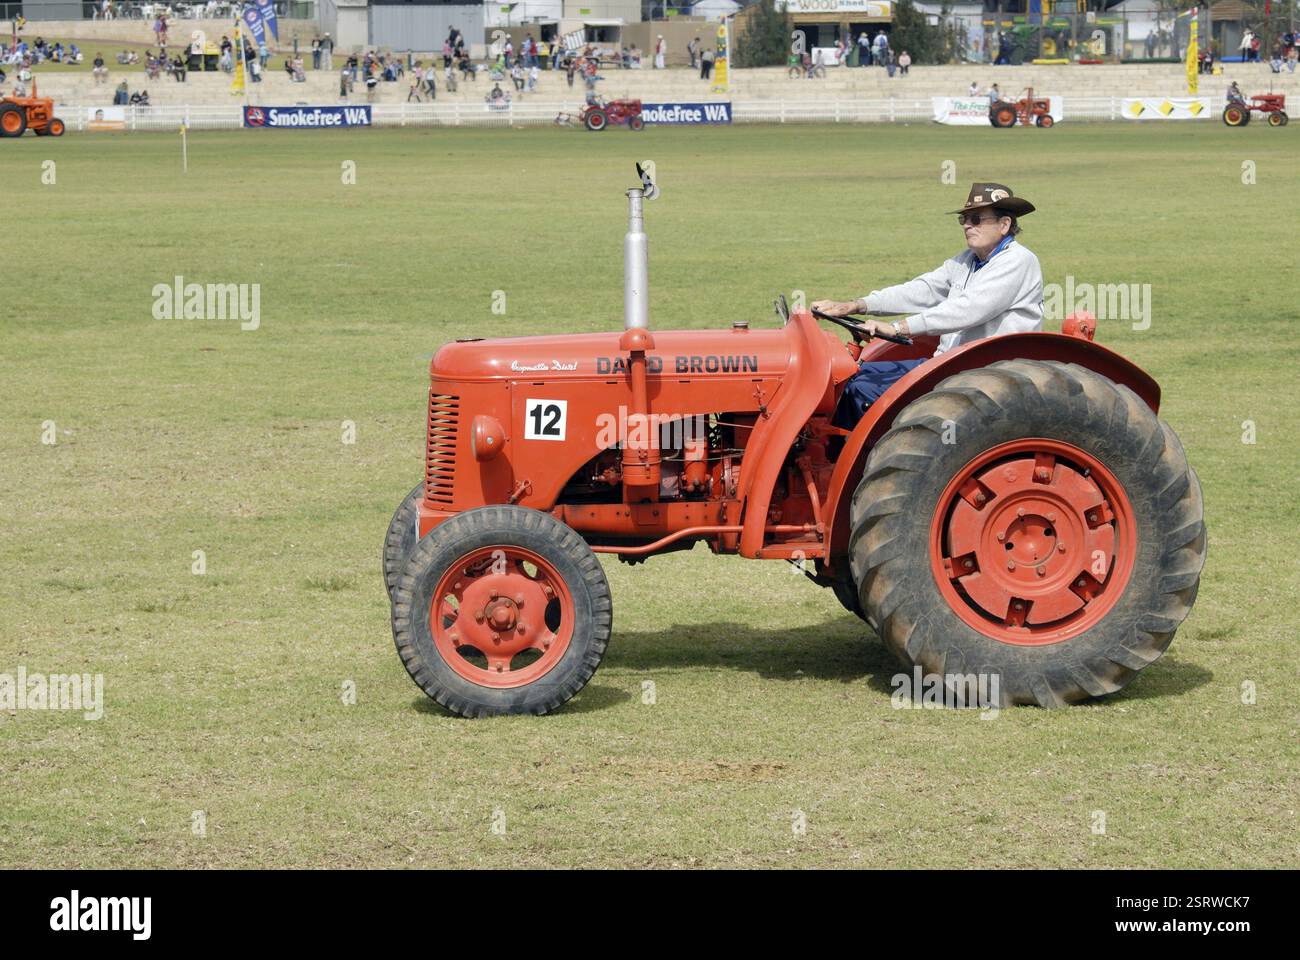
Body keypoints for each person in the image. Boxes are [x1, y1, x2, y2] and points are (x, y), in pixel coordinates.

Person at [811, 183, 1043, 429]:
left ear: (1004, 224)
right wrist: (855, 305)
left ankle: (853, 460)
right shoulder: (969, 261)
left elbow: (968, 309)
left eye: (976, 219)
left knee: (861, 391)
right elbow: (923, 288)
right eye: (964, 219)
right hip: (949, 364)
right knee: (851, 376)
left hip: (986, 375)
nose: (967, 225)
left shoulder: (1018, 261)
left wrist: (898, 328)